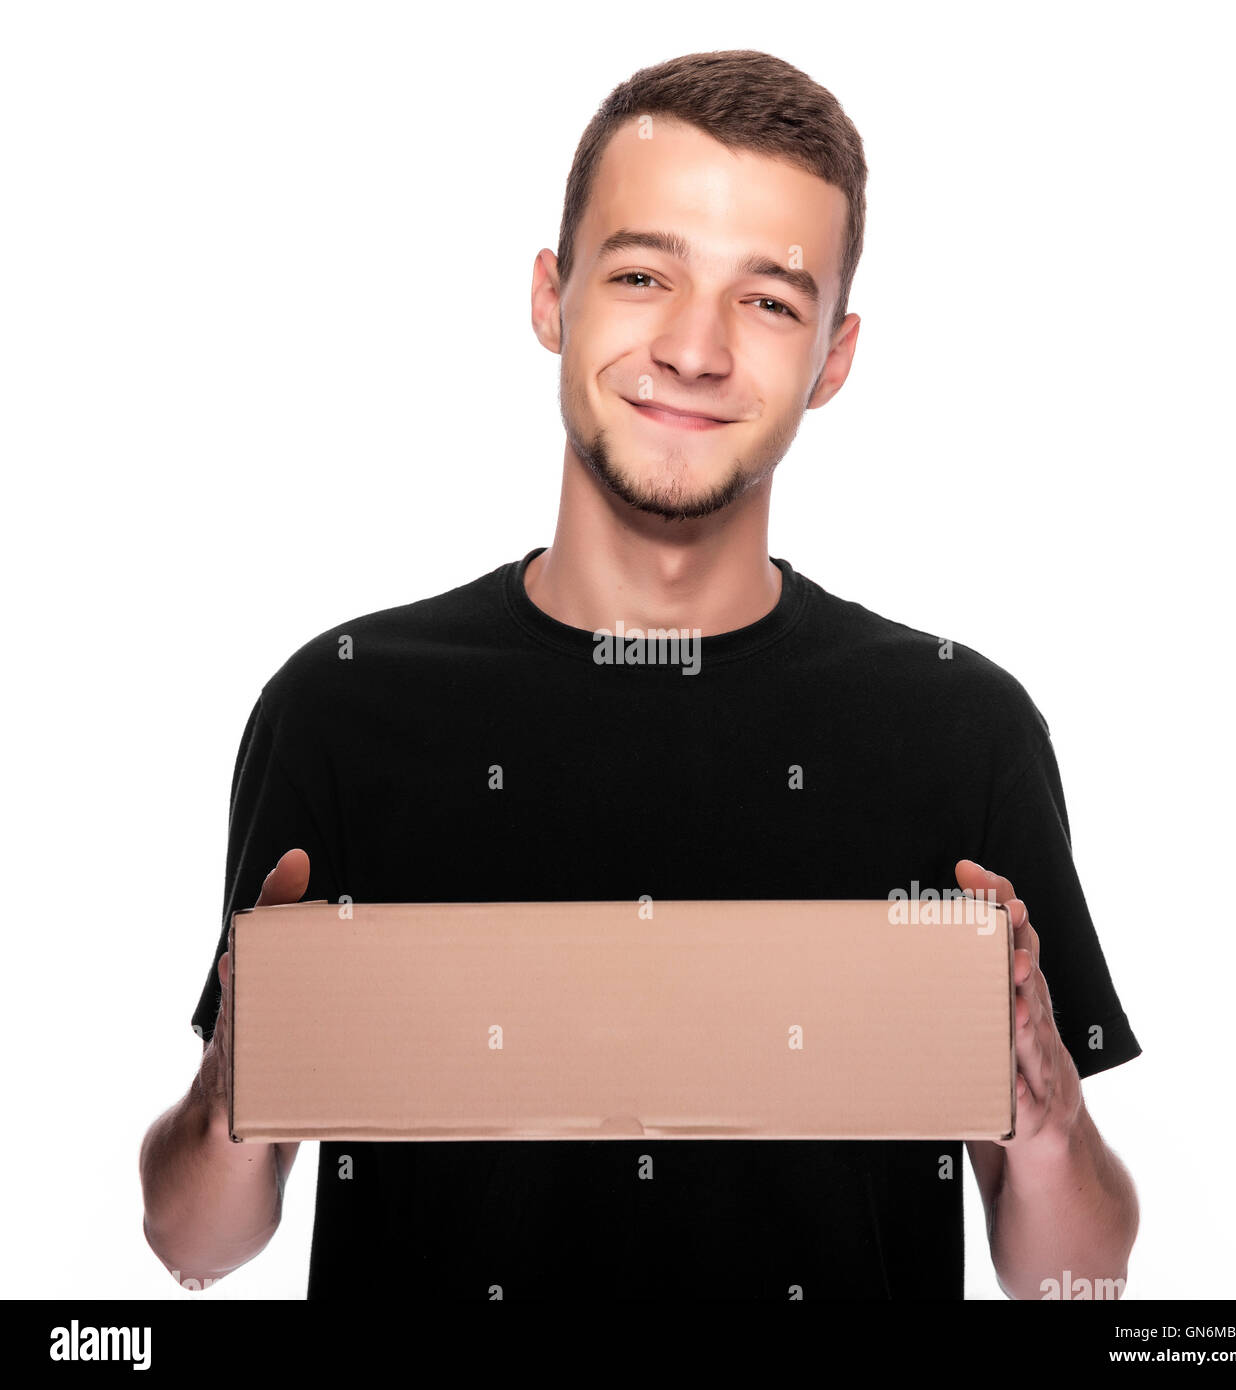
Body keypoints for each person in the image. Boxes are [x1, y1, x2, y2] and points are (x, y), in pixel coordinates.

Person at [139, 49, 1141, 1301]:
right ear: (553, 297)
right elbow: (193, 1242)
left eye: (770, 301)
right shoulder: (340, 706)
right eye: (642, 275)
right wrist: (236, 1082)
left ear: (833, 359)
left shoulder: (960, 727)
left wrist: (1043, 1112)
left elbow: (1074, 1284)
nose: (695, 348)